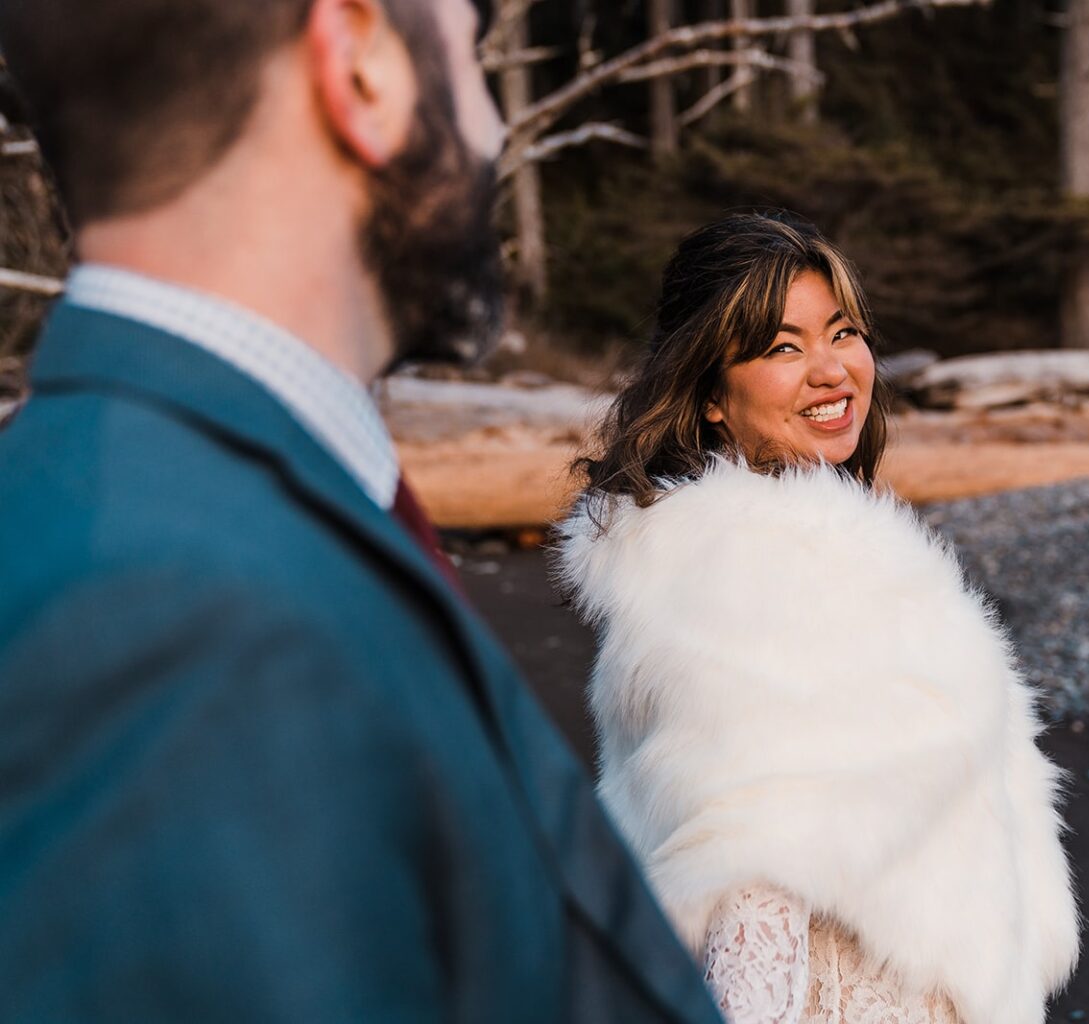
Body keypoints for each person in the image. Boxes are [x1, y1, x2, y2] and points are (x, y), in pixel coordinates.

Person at [0, 2, 723, 1021]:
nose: (494, 130)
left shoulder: (153, 513)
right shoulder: (175, 626)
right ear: (361, 68)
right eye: (470, 57)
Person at [554, 211, 1081, 1024]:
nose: (833, 371)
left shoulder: (757, 556)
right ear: (710, 397)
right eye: (783, 348)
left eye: (843, 332)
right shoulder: (761, 579)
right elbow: (745, 872)